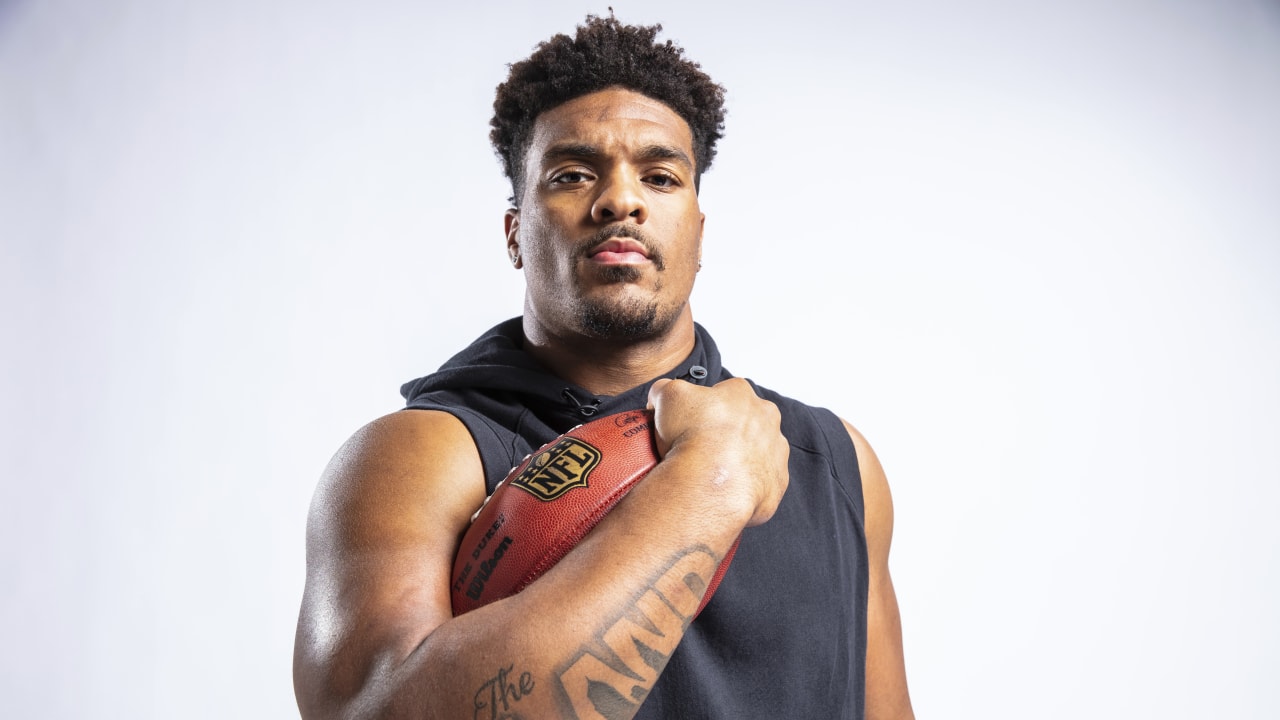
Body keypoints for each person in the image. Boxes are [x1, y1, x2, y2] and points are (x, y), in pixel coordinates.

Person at [294, 15, 914, 720]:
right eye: (572, 174)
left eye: (660, 176)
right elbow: (374, 713)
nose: (621, 200)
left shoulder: (833, 461)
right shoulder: (421, 457)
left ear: (698, 234)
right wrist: (706, 482)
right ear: (515, 233)